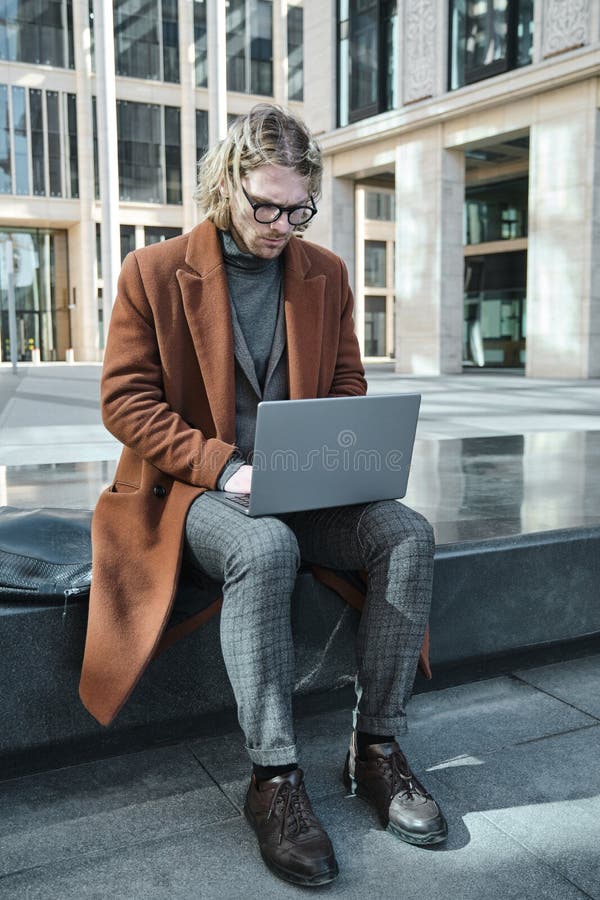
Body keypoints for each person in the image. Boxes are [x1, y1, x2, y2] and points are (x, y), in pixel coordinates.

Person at [80, 103, 447, 888]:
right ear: (227, 184)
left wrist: (334, 458)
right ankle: (274, 779)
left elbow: (347, 383)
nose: (283, 225)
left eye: (298, 209)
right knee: (265, 544)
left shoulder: (327, 274)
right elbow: (126, 402)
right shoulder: (153, 271)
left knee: (407, 532)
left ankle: (376, 749)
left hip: (303, 485)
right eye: (267, 207)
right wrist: (226, 468)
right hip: (191, 492)